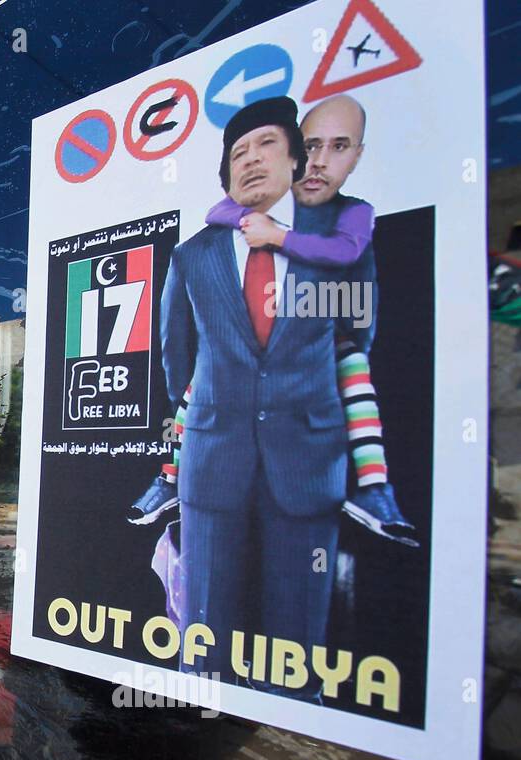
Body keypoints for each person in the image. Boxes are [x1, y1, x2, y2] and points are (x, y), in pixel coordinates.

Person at [157, 96, 374, 695]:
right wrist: (210, 413)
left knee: (298, 634)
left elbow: (355, 339)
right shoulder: (194, 255)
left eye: (266, 146)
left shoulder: (336, 244)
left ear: (297, 158)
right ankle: (199, 730)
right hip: (212, 460)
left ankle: (293, 737)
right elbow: (177, 358)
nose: (250, 161)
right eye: (238, 153)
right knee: (203, 629)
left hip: (306, 463)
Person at [131, 95, 413, 546]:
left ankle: (374, 487)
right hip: (220, 412)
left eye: (337, 147)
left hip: (307, 406)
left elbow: (358, 314)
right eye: (240, 152)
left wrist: (280, 237)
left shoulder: (344, 216)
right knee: (197, 384)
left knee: (352, 365)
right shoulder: (208, 243)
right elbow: (175, 348)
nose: (321, 161)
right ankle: (168, 478)